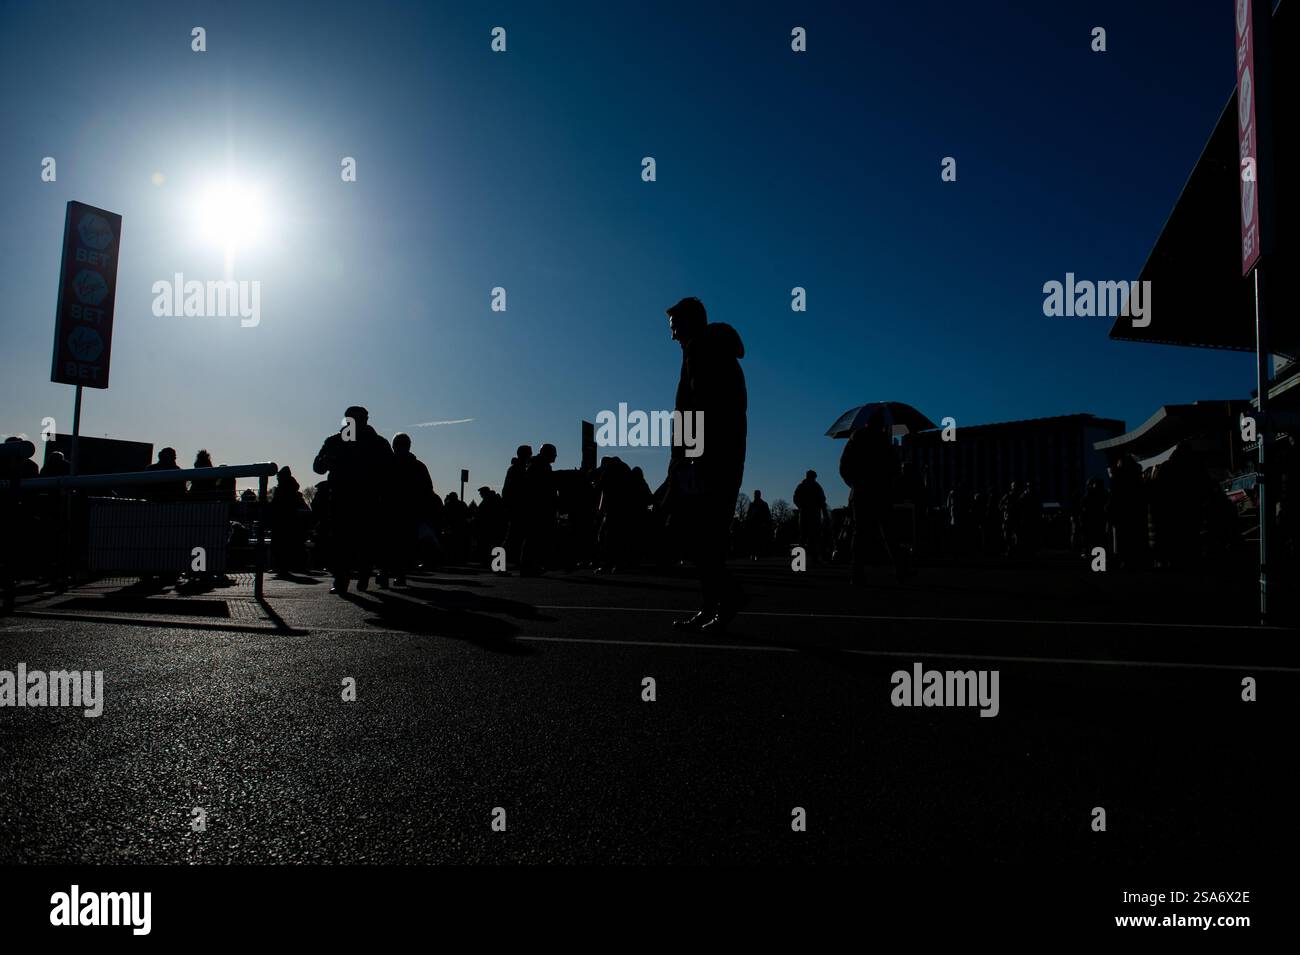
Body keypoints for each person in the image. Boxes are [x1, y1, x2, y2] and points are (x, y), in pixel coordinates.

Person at [657, 297, 748, 633]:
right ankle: (712, 605)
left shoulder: (701, 350)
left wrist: (687, 459)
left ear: (690, 324)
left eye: (675, 327)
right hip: (720, 455)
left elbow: (699, 408)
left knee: (694, 535)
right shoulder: (715, 350)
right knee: (705, 538)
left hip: (707, 459)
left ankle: (726, 598)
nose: (672, 336)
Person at [312, 405, 393, 594]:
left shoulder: (377, 443)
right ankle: (342, 578)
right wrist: (327, 461)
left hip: (367, 499)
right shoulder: (335, 441)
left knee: (363, 540)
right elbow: (318, 466)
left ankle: (360, 575)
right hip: (342, 498)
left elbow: (389, 472)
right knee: (341, 540)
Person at [839, 411, 909, 585]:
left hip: (862, 491)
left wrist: (854, 484)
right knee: (889, 531)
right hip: (881, 492)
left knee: (860, 532)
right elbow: (894, 468)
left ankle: (857, 573)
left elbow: (844, 466)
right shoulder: (884, 441)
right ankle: (900, 568)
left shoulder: (856, 439)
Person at [380, 432, 435, 586]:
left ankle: (385, 573)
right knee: (403, 545)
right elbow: (427, 490)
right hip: (408, 511)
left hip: (390, 509)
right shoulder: (418, 466)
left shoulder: (387, 464)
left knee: (387, 543)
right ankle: (399, 574)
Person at [519, 443, 557, 575]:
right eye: (554, 453)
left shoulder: (537, 465)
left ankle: (530, 565)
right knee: (534, 537)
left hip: (537, 506)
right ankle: (528, 566)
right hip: (538, 507)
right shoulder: (539, 466)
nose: (556, 456)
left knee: (535, 537)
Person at [270, 466, 310, 572]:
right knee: (292, 544)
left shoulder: (282, 491)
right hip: (290, 521)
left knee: (281, 545)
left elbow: (276, 506)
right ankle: (292, 565)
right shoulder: (292, 491)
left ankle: (281, 566)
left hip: (283, 521)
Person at [502, 445, 532, 564]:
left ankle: (501, 563)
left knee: (513, 537)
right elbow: (517, 489)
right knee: (512, 537)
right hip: (517, 507)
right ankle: (497, 563)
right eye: (529, 453)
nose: (530, 455)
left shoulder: (516, 468)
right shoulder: (518, 469)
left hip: (515, 507)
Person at [793, 470, 827, 563]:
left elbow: (795, 498)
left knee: (806, 536)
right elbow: (822, 500)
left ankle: (803, 559)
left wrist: (800, 506)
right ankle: (811, 558)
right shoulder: (815, 487)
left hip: (808, 513)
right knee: (810, 536)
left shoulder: (803, 486)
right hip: (811, 514)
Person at [744, 489, 772, 560]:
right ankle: (754, 554)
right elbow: (748, 515)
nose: (755, 496)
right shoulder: (755, 504)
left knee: (757, 540)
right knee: (755, 540)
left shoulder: (758, 504)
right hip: (755, 524)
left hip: (759, 524)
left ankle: (756, 554)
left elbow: (767, 515)